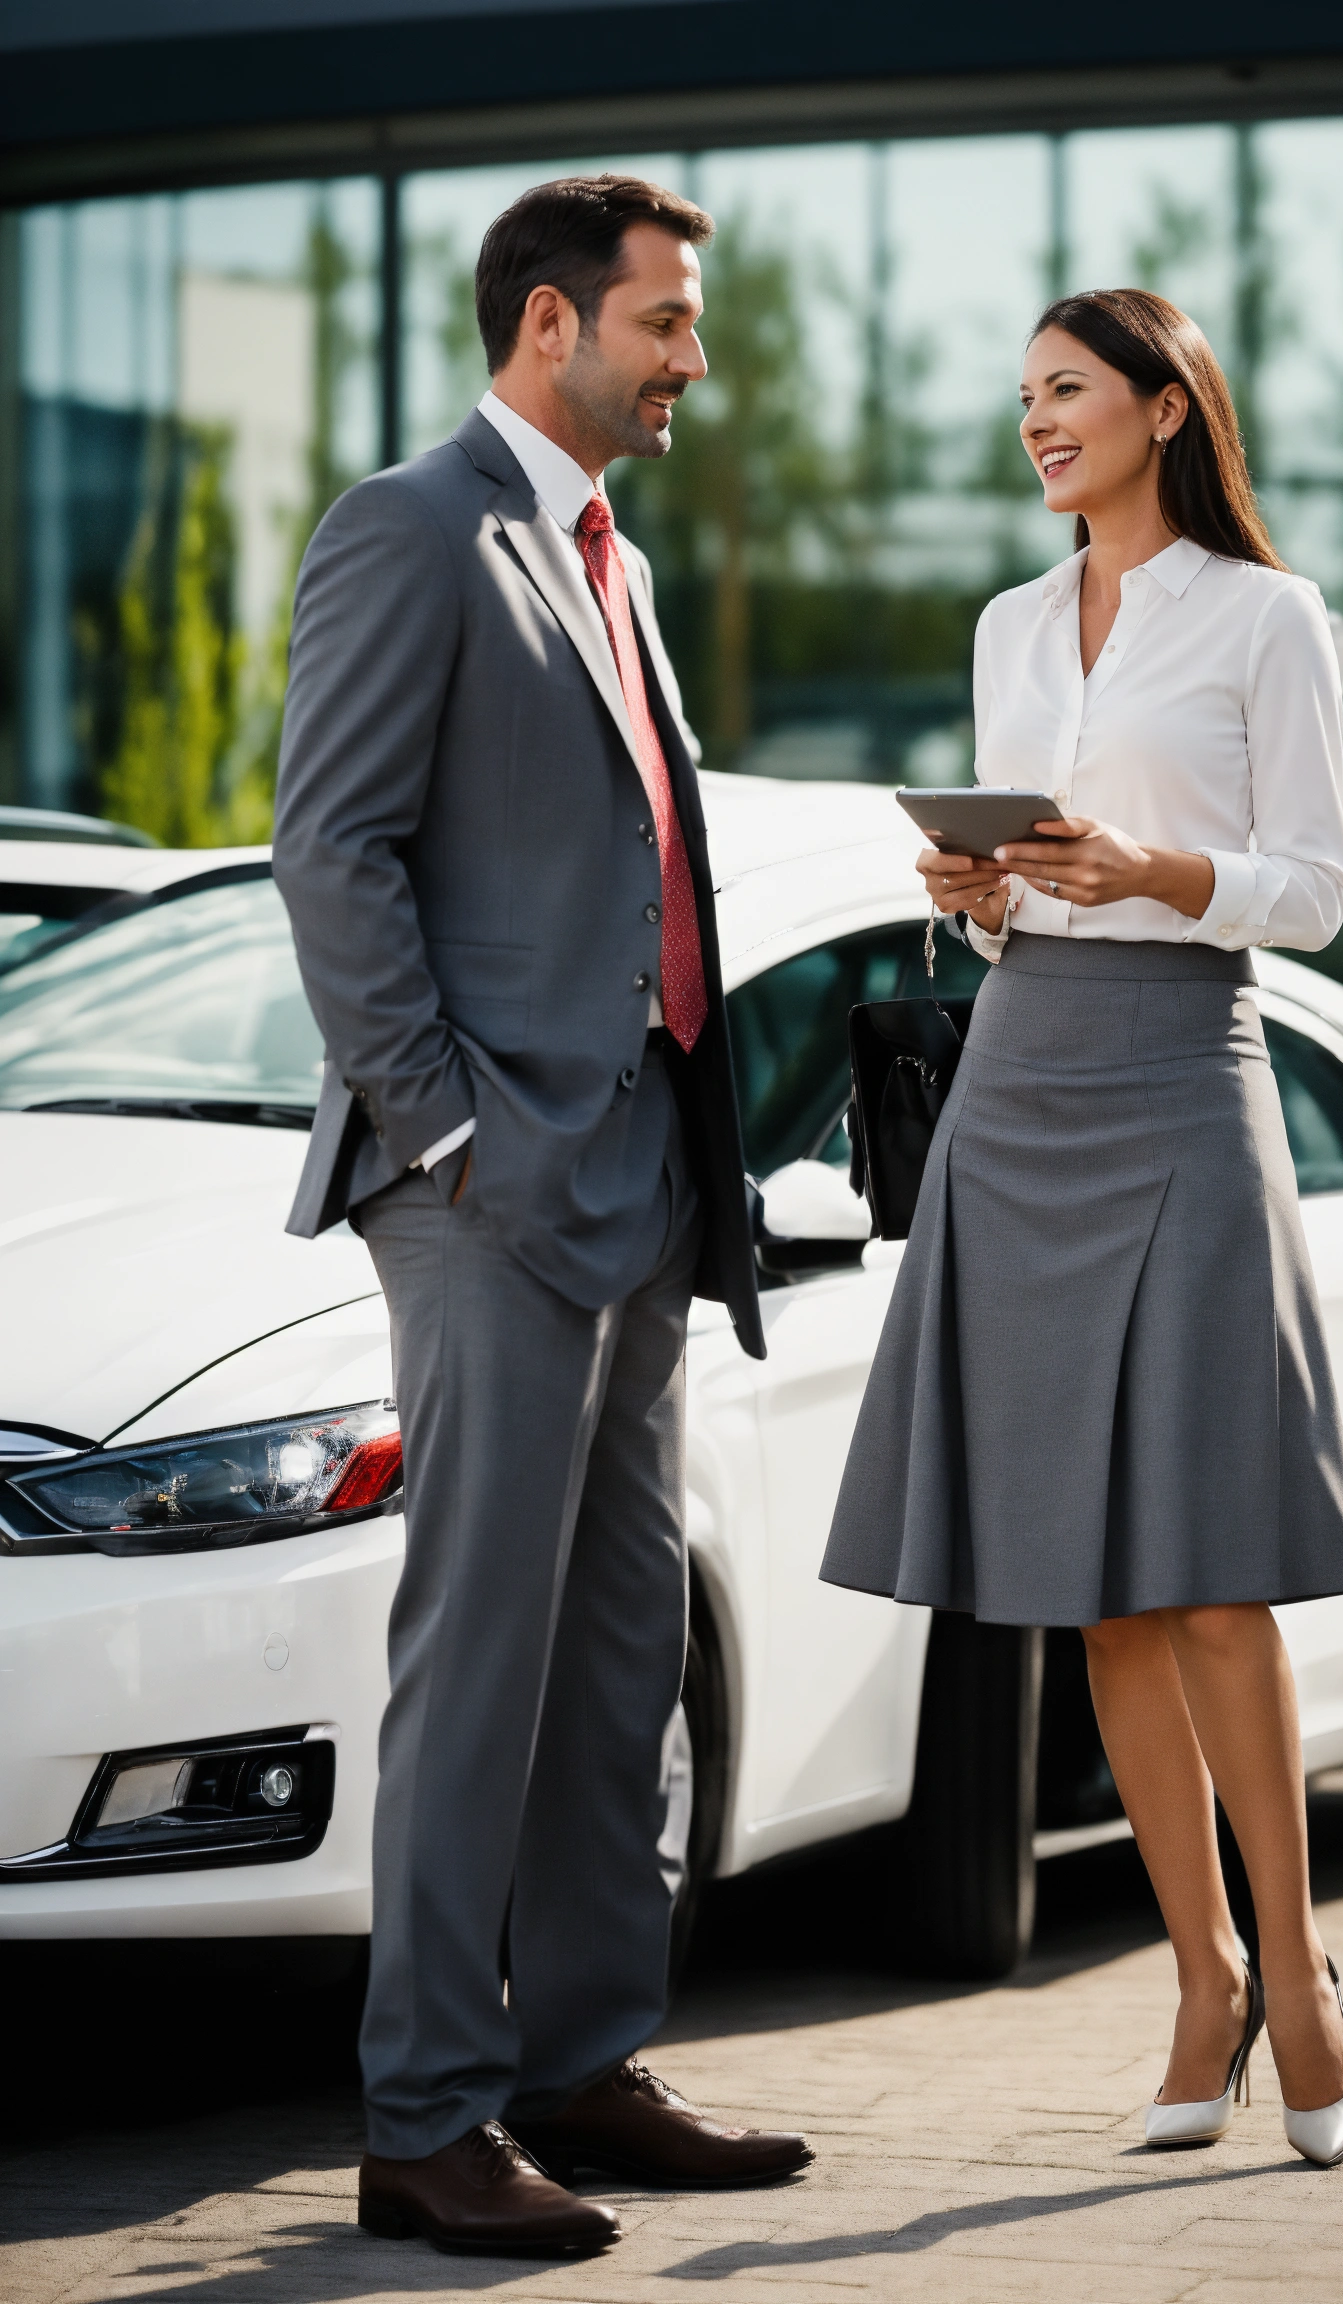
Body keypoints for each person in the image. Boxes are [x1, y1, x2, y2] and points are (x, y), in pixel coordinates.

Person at [274, 174, 812, 2261]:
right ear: (548, 329)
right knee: (479, 1665)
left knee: (618, 1666)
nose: (694, 361)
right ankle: (424, 2119)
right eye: (666, 324)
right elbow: (334, 857)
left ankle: (584, 2058)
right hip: (494, 1195)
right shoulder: (411, 531)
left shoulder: (615, 561)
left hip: (643, 1186)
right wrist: (452, 1139)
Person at [822, 288, 1343, 2169]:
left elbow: (1314, 887)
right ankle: (1198, 1981)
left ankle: (1300, 1984)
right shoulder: (1005, 625)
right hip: (1022, 1070)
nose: (1037, 423)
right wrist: (977, 889)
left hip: (1183, 1068)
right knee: (1101, 1587)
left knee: (1214, 1568)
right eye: (1025, 398)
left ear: (1163, 407)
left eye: (1067, 393)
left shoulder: (1269, 616)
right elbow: (1014, 900)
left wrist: (1154, 870)